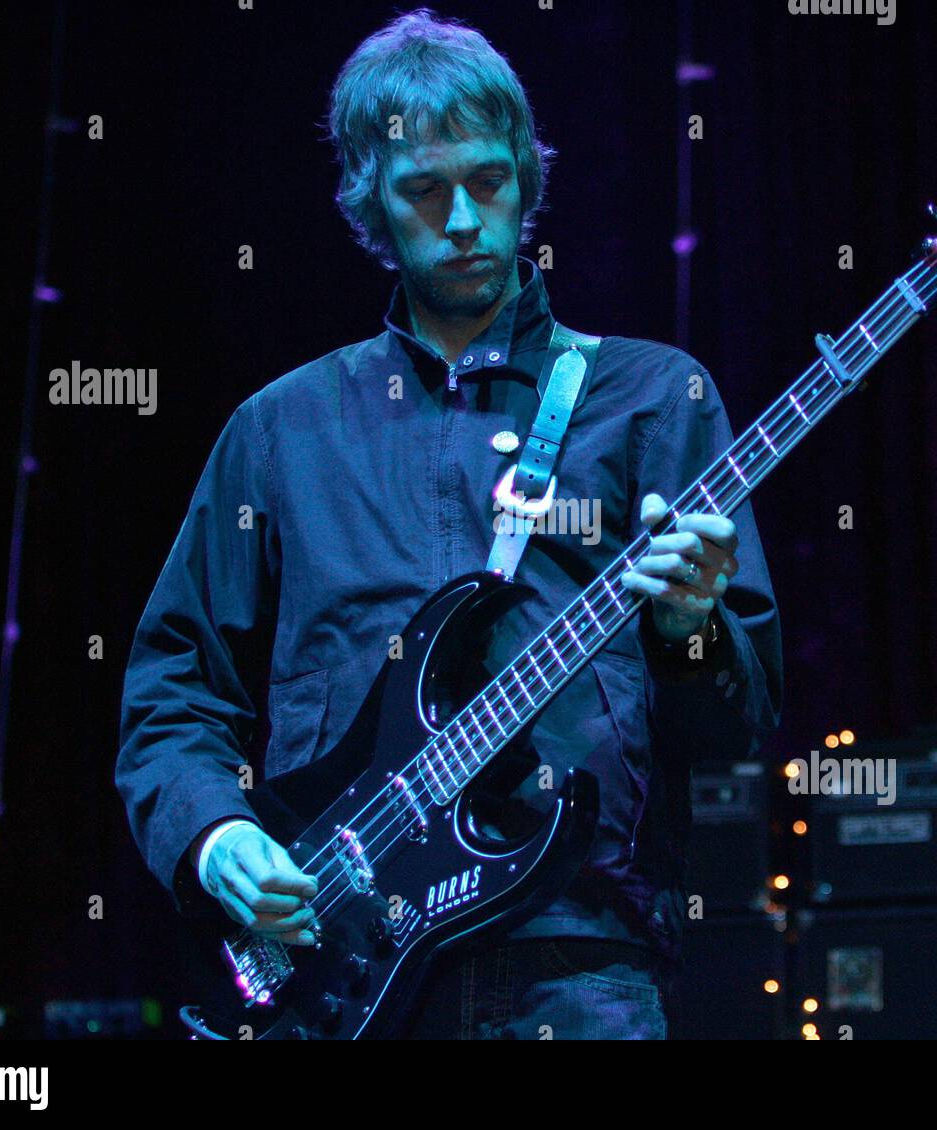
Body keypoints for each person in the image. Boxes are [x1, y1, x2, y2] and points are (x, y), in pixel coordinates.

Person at [116, 7, 782, 1040]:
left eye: (488, 180)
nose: (465, 219)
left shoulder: (653, 397)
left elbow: (731, 719)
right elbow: (173, 691)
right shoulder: (277, 432)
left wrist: (684, 624)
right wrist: (215, 835)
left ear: (526, 175)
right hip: (337, 974)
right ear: (370, 206)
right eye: (424, 192)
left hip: (581, 957)